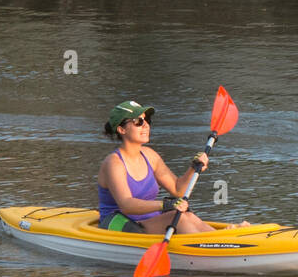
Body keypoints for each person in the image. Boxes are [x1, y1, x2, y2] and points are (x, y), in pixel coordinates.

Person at [97, 99, 233, 234]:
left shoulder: (150, 156)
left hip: (147, 220)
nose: (145, 126)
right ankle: (220, 241)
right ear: (121, 129)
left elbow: (178, 189)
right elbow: (126, 205)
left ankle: (222, 238)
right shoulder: (114, 163)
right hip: (120, 222)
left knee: (187, 216)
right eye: (138, 122)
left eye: (146, 120)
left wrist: (193, 168)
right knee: (179, 218)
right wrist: (165, 204)